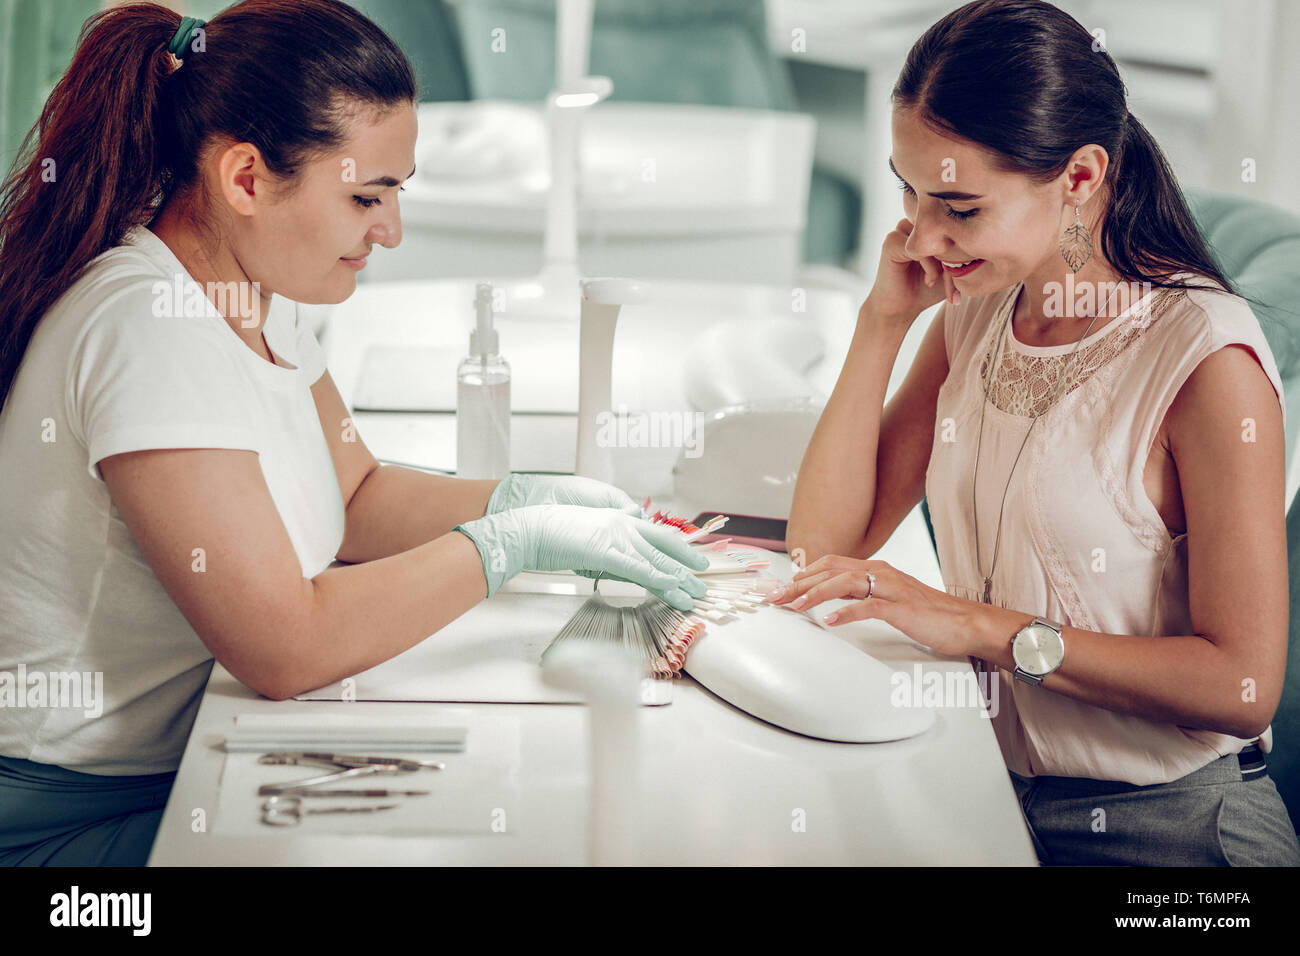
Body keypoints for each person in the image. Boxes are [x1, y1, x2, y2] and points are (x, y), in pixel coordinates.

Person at [0, 0, 706, 866]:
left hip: (178, 762)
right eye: (366, 197)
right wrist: (510, 544)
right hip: (68, 820)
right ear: (247, 179)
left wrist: (532, 496)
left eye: (396, 194)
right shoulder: (149, 329)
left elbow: (357, 492)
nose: (391, 231)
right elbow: (287, 647)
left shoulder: (253, 292)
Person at [778, 0, 1300, 866]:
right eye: (908, 191)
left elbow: (1244, 688)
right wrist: (881, 322)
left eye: (960, 207)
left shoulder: (1208, 364)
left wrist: (982, 627)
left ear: (1082, 179)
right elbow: (823, 546)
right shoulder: (978, 309)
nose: (922, 235)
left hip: (1170, 833)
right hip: (988, 794)